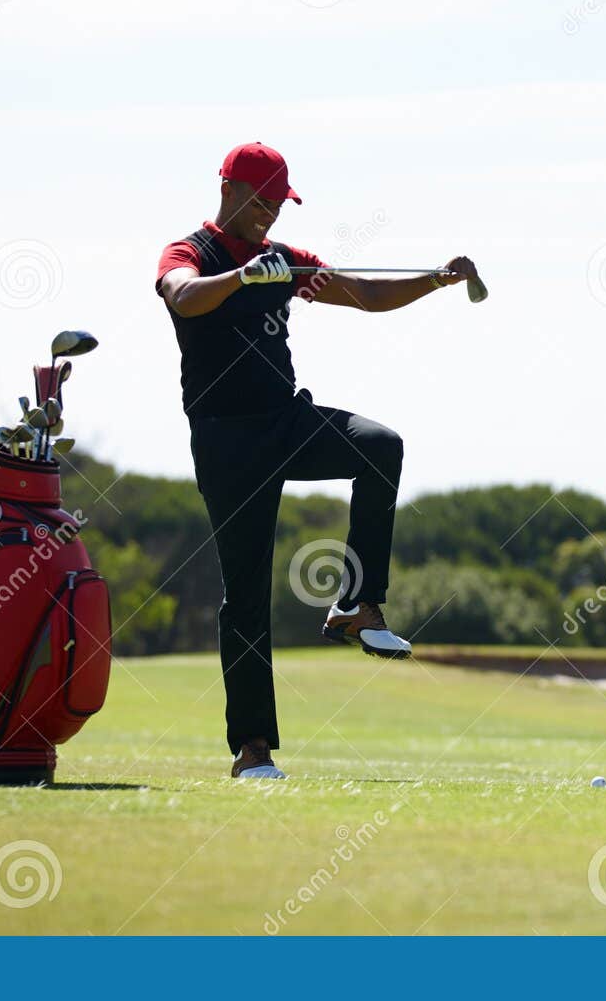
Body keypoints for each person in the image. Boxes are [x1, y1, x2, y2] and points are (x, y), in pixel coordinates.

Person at [155, 142, 479, 780]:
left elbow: (362, 293)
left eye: (281, 202)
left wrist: (436, 280)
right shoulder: (191, 252)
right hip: (226, 440)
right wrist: (244, 278)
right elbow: (182, 296)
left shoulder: (285, 260)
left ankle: (356, 605)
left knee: (380, 445)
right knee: (245, 595)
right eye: (265, 200)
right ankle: (253, 751)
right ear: (232, 190)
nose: (273, 212)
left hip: (286, 420)